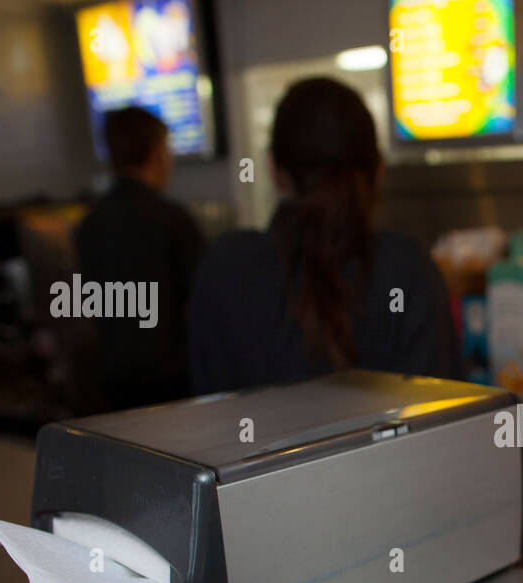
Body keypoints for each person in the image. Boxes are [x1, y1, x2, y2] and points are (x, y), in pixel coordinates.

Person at [188, 77, 458, 394]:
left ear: (274, 170)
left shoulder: (225, 267)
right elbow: (442, 418)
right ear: (379, 172)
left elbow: (206, 410)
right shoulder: (407, 270)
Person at [75, 106, 203, 410]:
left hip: (113, 383)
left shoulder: (89, 224)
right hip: (173, 384)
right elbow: (200, 301)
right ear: (156, 152)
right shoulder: (171, 219)